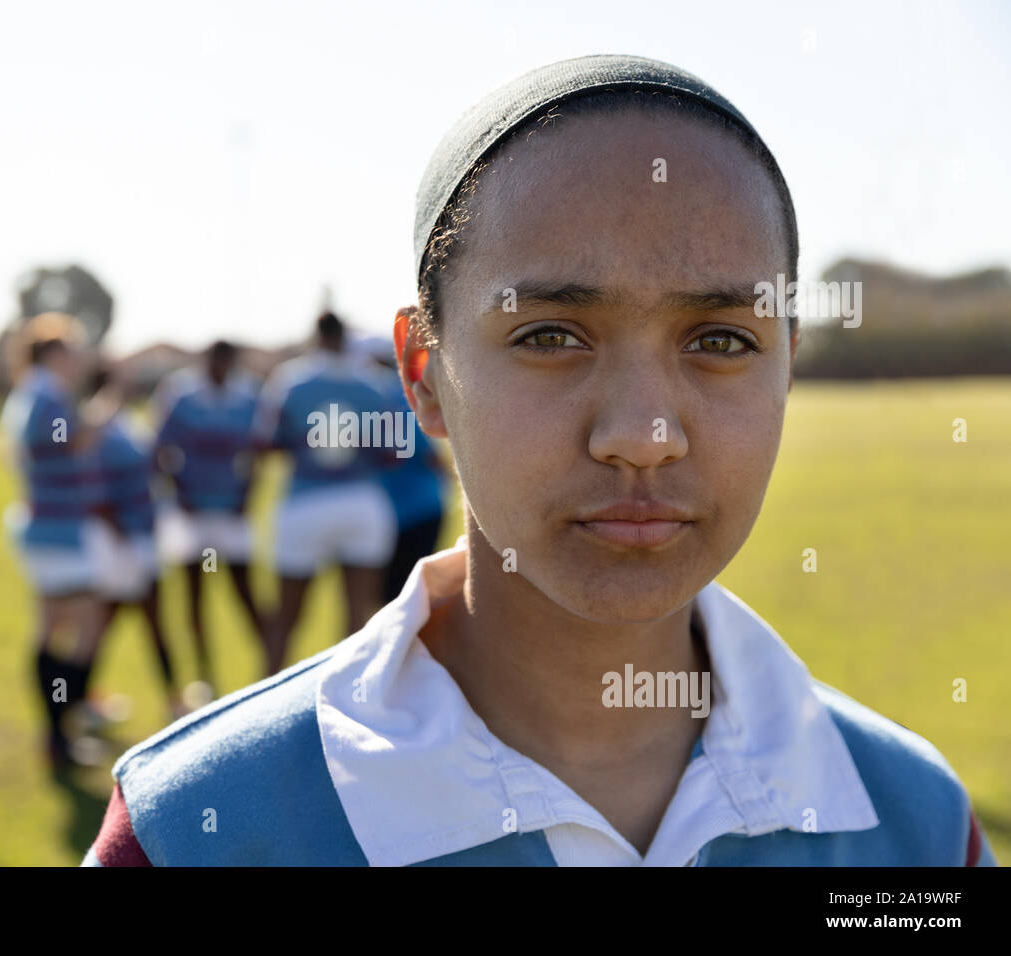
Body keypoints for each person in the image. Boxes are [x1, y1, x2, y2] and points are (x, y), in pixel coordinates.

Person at [84, 55, 997, 865]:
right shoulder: (195, 829)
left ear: (788, 365)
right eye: (551, 334)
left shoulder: (913, 823)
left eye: (720, 340)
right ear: (424, 374)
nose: (642, 436)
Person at [0, 313, 120, 773]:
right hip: (58, 531)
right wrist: (109, 402)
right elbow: (76, 440)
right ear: (52, 353)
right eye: (71, 351)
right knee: (86, 627)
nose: (76, 361)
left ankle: (58, 737)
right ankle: (61, 731)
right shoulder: (45, 392)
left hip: (45, 527)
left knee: (55, 630)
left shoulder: (31, 392)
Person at [253, 312, 397, 675]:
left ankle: (263, 700)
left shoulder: (290, 380)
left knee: (287, 616)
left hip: (306, 502)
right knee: (357, 614)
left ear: (315, 337)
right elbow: (394, 452)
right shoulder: (373, 383)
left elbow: (266, 443)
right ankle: (357, 700)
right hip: (361, 502)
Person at [151, 341, 263, 702]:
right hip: (192, 515)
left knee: (246, 594)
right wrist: (179, 491)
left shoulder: (247, 398)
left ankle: (271, 668)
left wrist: (248, 496)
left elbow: (256, 452)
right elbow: (161, 449)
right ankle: (203, 675)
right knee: (194, 597)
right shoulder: (181, 395)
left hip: (231, 513)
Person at [80, 363, 185, 722]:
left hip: (139, 537)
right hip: (121, 542)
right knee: (122, 622)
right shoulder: (97, 427)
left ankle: (82, 701)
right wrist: (121, 534)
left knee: (118, 623)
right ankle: (172, 700)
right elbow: (93, 487)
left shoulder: (126, 422)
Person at [355, 336, 448, 604]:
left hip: (393, 512)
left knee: (387, 599)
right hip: (419, 507)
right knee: (410, 596)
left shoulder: (371, 396)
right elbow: (428, 455)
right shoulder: (402, 395)